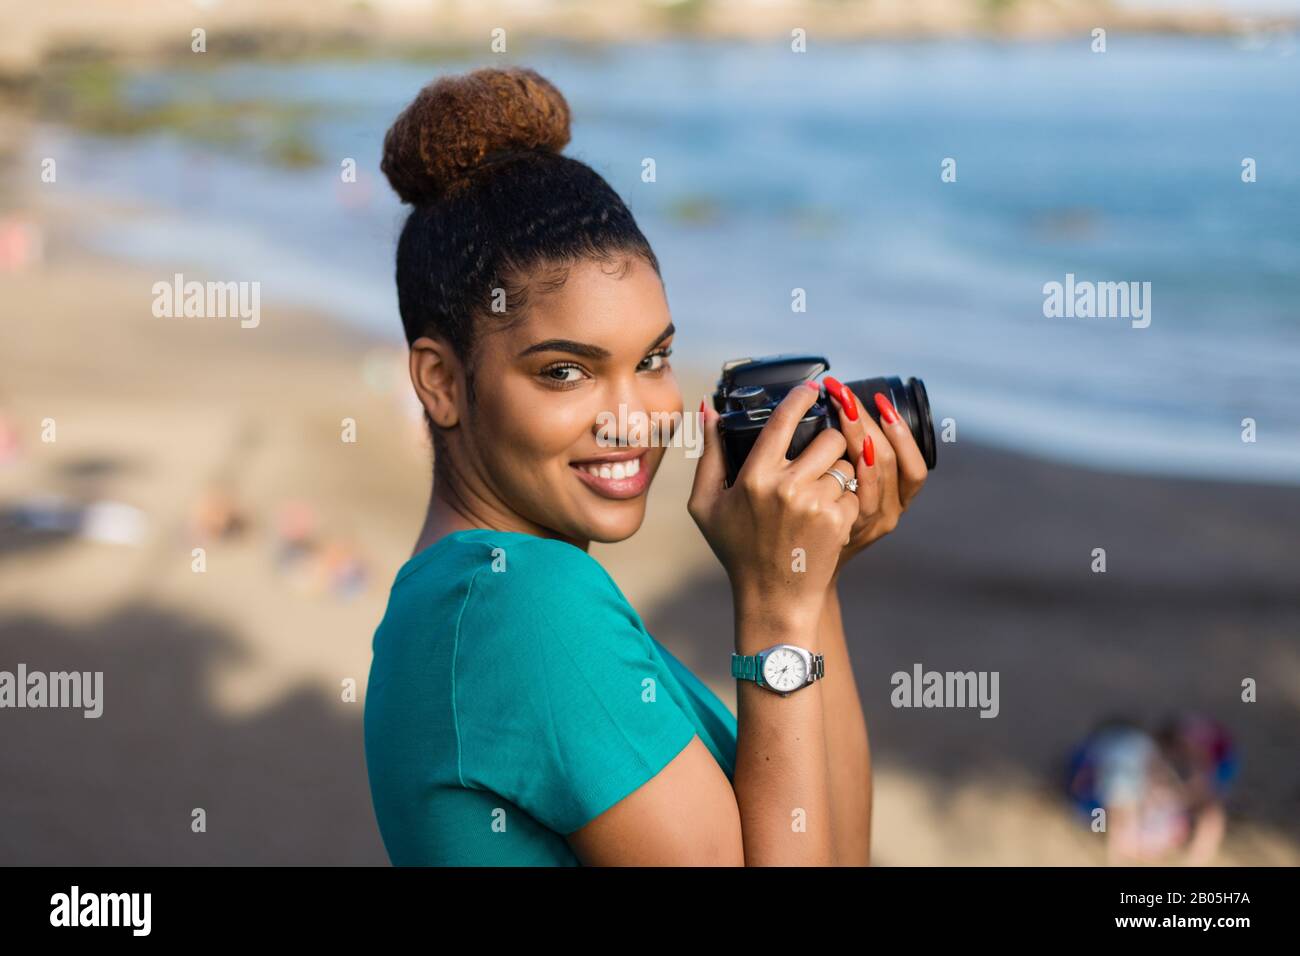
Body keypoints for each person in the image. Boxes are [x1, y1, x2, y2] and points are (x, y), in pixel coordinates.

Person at [361, 67, 928, 866]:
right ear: (442, 383)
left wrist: (809, 575)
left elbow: (838, 853)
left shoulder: (473, 597)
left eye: (654, 358)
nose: (636, 419)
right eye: (565, 371)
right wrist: (772, 613)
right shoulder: (521, 606)